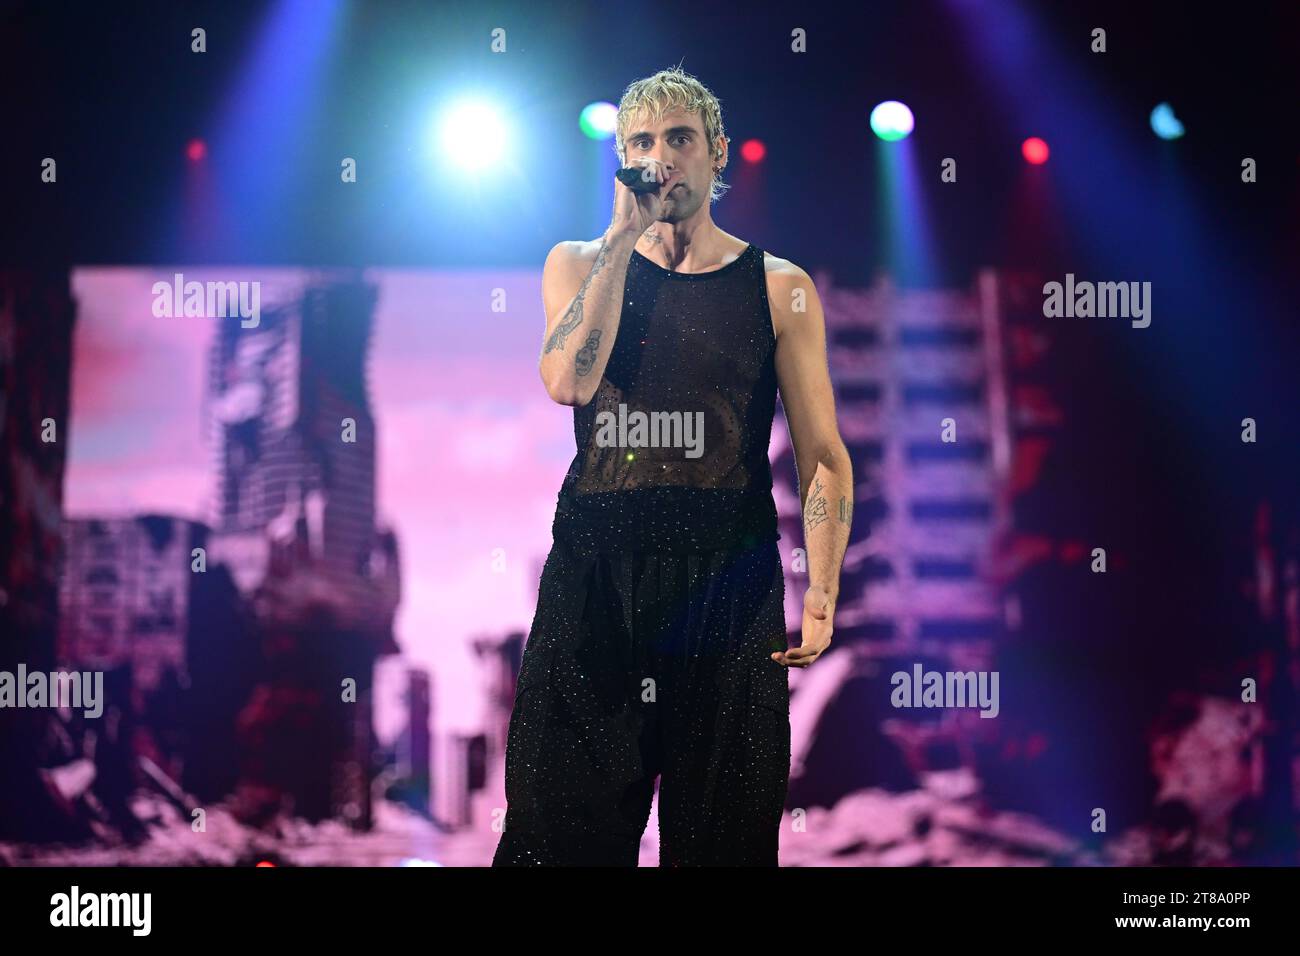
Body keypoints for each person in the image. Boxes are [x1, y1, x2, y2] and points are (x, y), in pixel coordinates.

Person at [492, 66, 852, 866]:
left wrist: (821, 588)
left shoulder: (780, 286)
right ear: (622, 159)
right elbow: (567, 382)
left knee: (724, 841)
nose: (661, 159)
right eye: (643, 143)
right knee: (557, 837)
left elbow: (824, 457)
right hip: (596, 578)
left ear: (716, 152)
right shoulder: (577, 262)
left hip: (728, 581)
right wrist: (623, 239)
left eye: (679, 139)